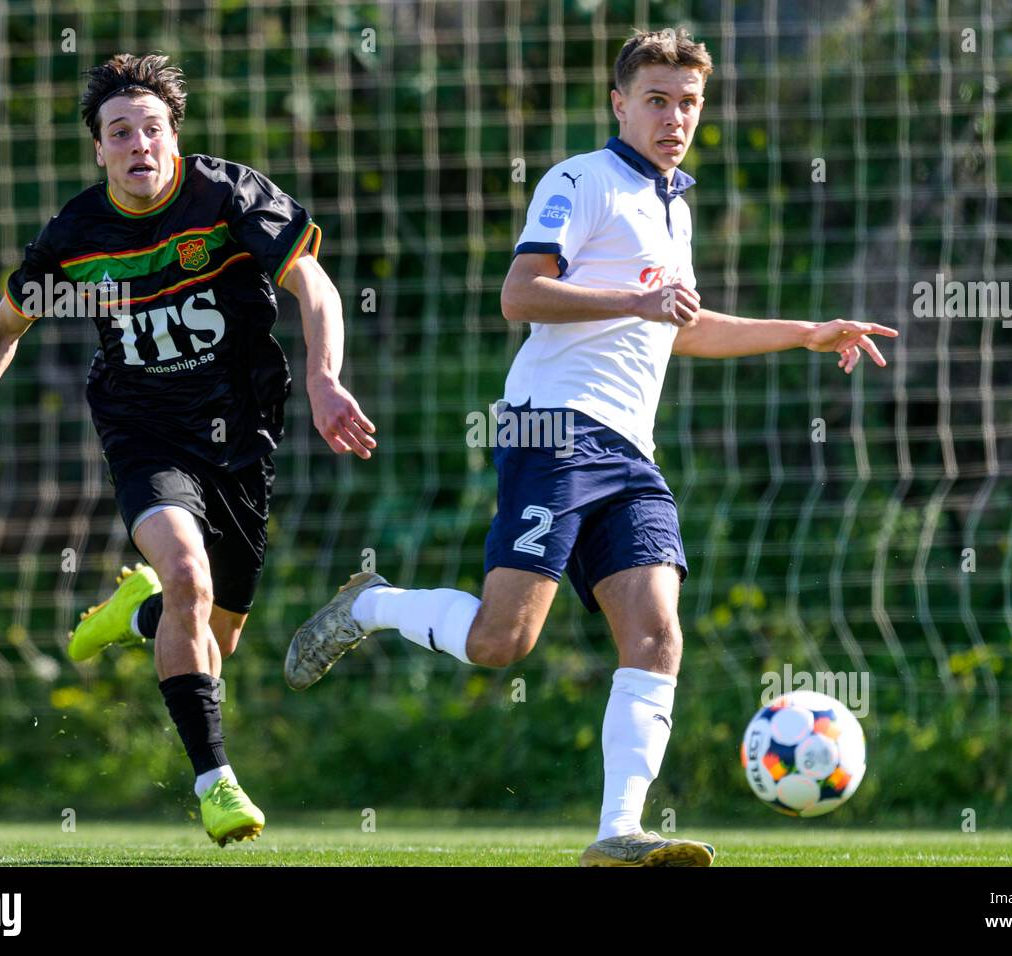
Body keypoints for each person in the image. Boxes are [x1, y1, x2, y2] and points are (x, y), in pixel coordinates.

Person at [286, 27, 897, 866]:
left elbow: (684, 330)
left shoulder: (674, 203)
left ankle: (619, 834)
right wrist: (635, 305)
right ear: (620, 103)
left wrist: (805, 332)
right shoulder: (582, 180)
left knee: (656, 634)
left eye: (688, 103)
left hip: (630, 454)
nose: (673, 117)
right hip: (553, 430)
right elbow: (521, 294)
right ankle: (371, 604)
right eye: (656, 100)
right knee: (504, 643)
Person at [0, 53, 376, 847]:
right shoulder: (77, 235)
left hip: (240, 434)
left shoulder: (227, 197)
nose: (139, 145)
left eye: (151, 128)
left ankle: (139, 610)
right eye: (119, 132)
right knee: (188, 575)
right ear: (100, 150)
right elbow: (0, 331)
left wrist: (326, 378)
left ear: (173, 135)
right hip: (143, 431)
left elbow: (314, 283)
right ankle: (216, 783)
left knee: (212, 636)